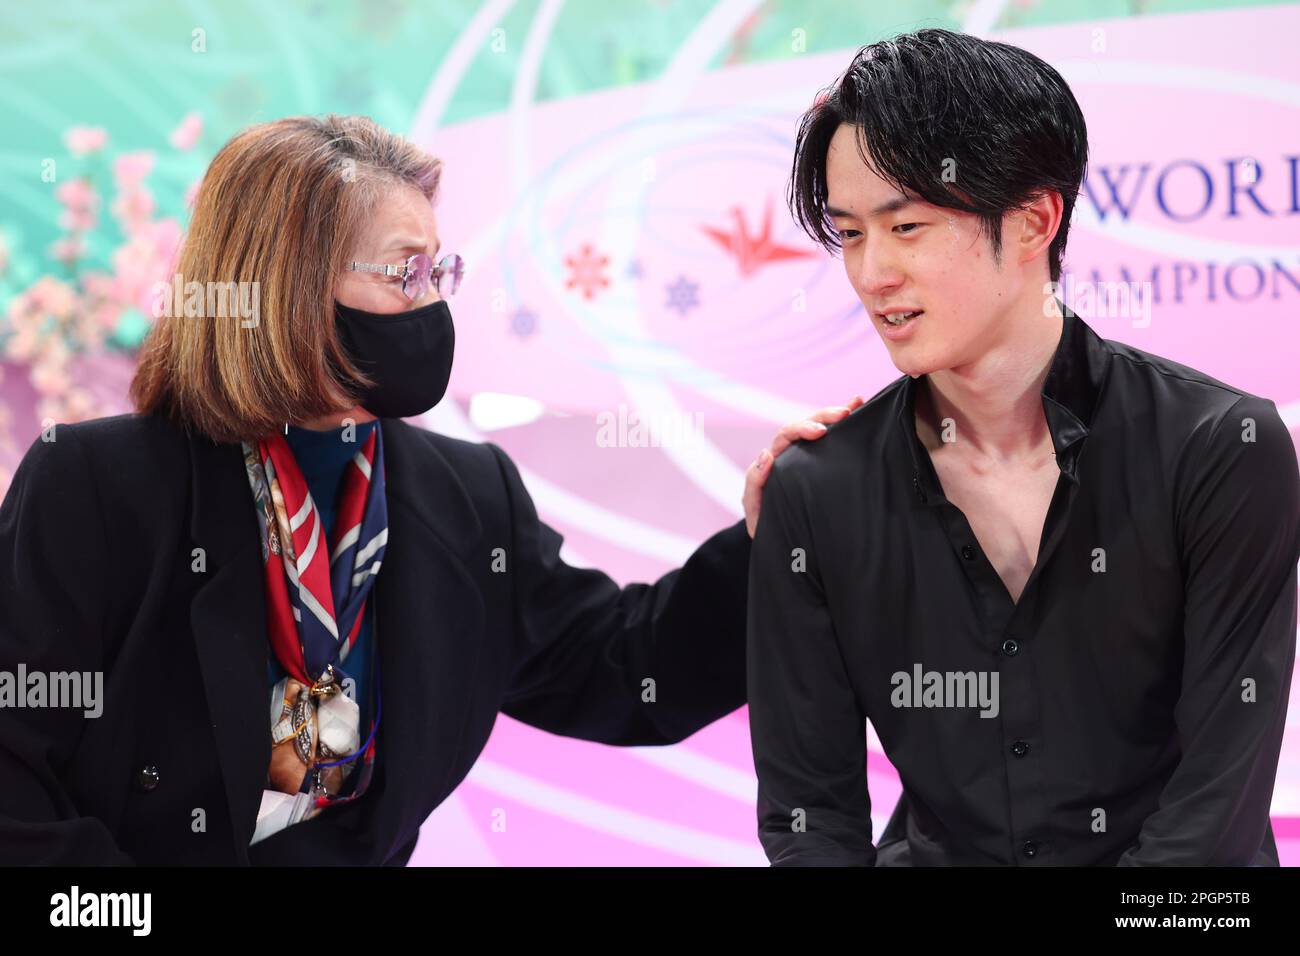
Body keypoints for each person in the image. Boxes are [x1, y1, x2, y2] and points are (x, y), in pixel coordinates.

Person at [0, 114, 860, 865]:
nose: (434, 304)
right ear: (289, 288)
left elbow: (625, 672)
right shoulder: (95, 484)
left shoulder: (465, 493)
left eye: (437, 274)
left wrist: (766, 538)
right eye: (403, 273)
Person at [747, 29, 1299, 866]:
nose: (871, 274)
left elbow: (1212, 818)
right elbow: (807, 814)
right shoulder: (817, 487)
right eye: (852, 233)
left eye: (908, 226)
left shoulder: (1220, 449)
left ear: (1037, 218)